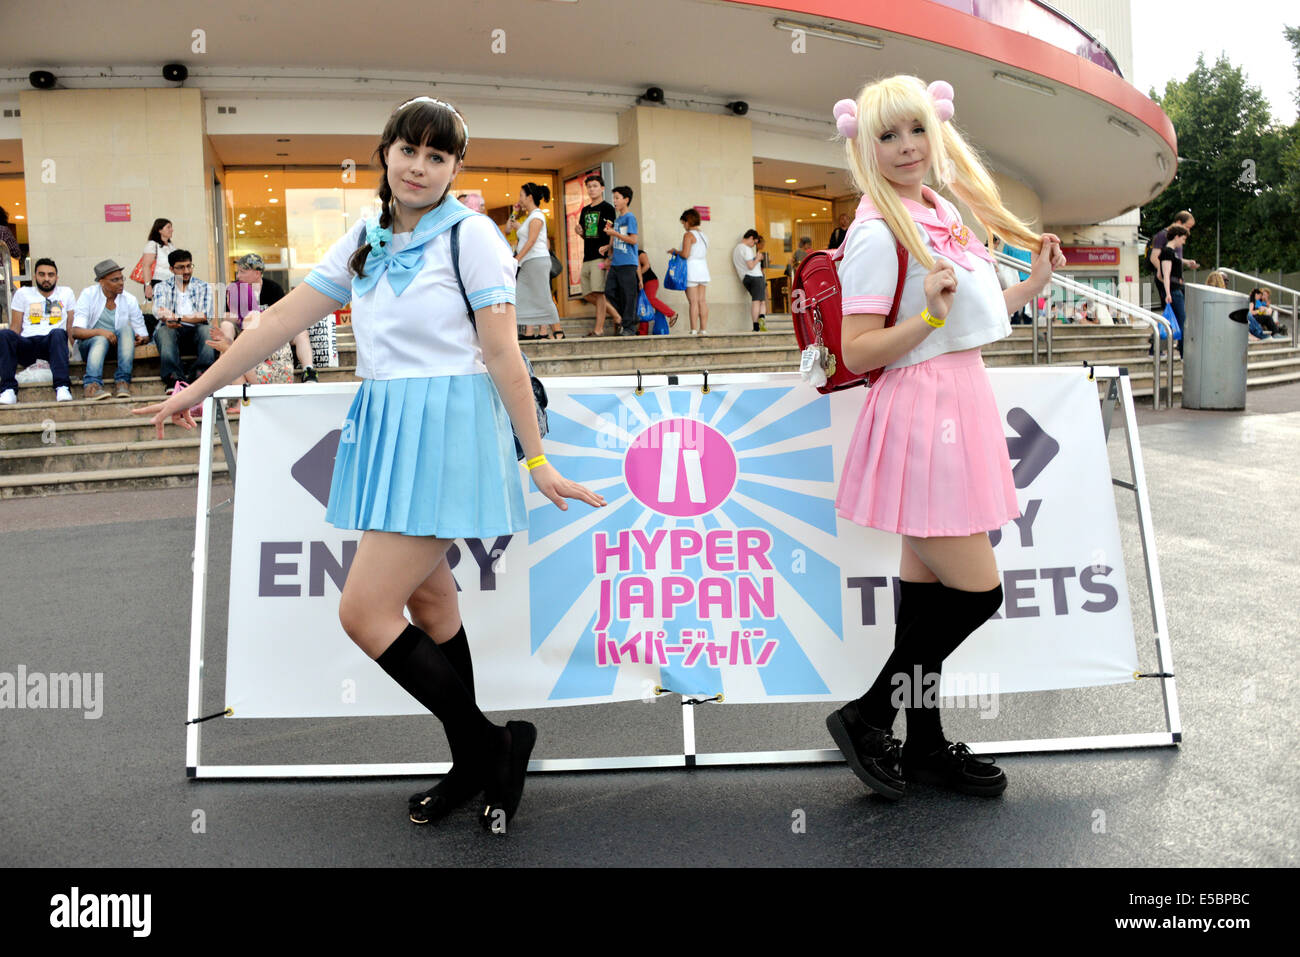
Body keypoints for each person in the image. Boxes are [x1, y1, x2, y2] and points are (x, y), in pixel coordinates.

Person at [137, 96, 605, 833]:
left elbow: (504, 355)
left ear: (455, 167)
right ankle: (474, 758)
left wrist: (537, 457)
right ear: (385, 150)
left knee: (362, 609)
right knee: (431, 605)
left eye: (438, 156)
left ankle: (494, 745)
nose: (420, 167)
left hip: (449, 433)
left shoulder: (473, 236)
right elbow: (284, 319)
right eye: (409, 151)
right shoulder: (364, 236)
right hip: (389, 427)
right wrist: (196, 389)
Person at [828, 75, 1065, 800]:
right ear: (866, 146)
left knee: (926, 599)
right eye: (888, 136)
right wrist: (926, 320)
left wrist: (1035, 283)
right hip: (923, 417)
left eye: (916, 131)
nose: (905, 148)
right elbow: (859, 349)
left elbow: (971, 320)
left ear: (938, 131)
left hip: (956, 401)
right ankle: (869, 715)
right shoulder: (877, 229)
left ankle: (923, 743)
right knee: (978, 593)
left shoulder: (938, 211)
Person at [223, 252, 317, 381]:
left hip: (272, 332)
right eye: (238, 272)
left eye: (242, 272)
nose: (238, 275)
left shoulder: (273, 288)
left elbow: (284, 315)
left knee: (301, 332)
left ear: (256, 273)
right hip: (245, 332)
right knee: (225, 326)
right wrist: (243, 316)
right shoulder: (235, 288)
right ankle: (224, 365)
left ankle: (308, 371)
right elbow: (226, 315)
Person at [1, 258, 77, 404]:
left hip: (52, 345)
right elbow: (15, 327)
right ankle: (8, 390)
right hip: (27, 344)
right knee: (5, 334)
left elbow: (70, 327)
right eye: (42, 274)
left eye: (50, 275)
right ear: (35, 276)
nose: (46, 279)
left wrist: (77, 352)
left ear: (57, 277)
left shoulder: (66, 293)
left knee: (58, 332)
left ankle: (62, 386)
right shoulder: (23, 293)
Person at [72, 259, 148, 399]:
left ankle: (122, 381)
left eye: (121, 278)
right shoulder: (88, 295)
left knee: (127, 330)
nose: (121, 283)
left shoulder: (129, 299)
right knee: (100, 339)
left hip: (116, 348)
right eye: (115, 280)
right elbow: (76, 332)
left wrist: (139, 340)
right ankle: (92, 385)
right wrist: (101, 332)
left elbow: (143, 333)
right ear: (101, 282)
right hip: (90, 348)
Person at [151, 249, 216, 393]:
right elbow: (161, 311)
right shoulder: (162, 287)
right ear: (171, 269)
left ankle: (201, 374)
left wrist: (176, 317)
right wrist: (170, 318)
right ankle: (174, 379)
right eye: (181, 267)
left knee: (207, 330)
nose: (186, 271)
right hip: (172, 328)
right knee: (164, 331)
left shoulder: (203, 286)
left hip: (197, 329)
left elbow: (204, 315)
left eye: (189, 266)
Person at [506, 183, 560, 340]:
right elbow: (513, 231)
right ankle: (528, 332)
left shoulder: (537, 216)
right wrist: (515, 215)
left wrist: (517, 258)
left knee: (542, 296)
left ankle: (558, 331)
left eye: (521, 196)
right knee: (522, 296)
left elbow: (531, 241)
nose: (519, 199)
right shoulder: (531, 217)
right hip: (529, 262)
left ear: (530, 197)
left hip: (536, 261)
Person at [575, 175, 618, 337]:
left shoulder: (607, 208)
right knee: (587, 293)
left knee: (599, 293)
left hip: (600, 256)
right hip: (587, 255)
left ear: (602, 188)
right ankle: (615, 314)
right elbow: (586, 235)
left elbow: (611, 232)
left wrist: (609, 253)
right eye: (589, 186)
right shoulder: (585, 210)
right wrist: (580, 233)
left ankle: (598, 329)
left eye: (594, 186)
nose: (591, 189)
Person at [601, 185, 640, 337]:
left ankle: (630, 326)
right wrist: (607, 247)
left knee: (629, 295)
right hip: (616, 262)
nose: (615, 201)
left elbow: (633, 239)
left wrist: (615, 233)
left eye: (617, 198)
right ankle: (630, 317)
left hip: (628, 263)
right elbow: (615, 240)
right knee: (609, 291)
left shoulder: (630, 218)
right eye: (614, 198)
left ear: (626, 200)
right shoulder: (617, 220)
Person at [668, 208, 710, 335]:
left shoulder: (688, 235)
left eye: (683, 223)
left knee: (693, 301)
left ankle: (693, 329)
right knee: (702, 301)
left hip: (691, 269)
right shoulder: (704, 235)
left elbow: (685, 254)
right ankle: (703, 329)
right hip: (703, 268)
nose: (684, 226)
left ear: (688, 221)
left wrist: (675, 251)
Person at [1148, 211, 1198, 304]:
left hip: (1176, 280)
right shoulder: (1163, 235)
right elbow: (1154, 257)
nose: (1188, 231)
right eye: (1187, 227)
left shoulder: (1178, 237)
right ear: (1179, 223)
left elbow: (1172, 259)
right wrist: (1163, 273)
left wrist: (1186, 262)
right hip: (1169, 281)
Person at [1158, 225, 1189, 358]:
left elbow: (1161, 275)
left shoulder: (1172, 252)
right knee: (1181, 321)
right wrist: (1168, 293)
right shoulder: (1168, 252)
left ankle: (1180, 350)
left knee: (1176, 321)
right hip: (1174, 290)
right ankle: (1183, 352)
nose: (1183, 242)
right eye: (1182, 239)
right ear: (1176, 237)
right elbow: (1165, 274)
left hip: (1176, 289)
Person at [138, 219, 175, 323]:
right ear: (159, 230)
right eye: (168, 227)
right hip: (157, 283)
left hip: (171, 284)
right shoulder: (152, 245)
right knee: (160, 313)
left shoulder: (171, 246)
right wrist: (148, 285)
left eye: (171, 227)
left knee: (171, 312)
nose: (172, 230)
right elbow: (146, 266)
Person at [732, 229, 767, 331]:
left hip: (745, 278)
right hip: (755, 276)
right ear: (751, 238)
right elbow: (751, 265)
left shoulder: (736, 249)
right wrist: (758, 258)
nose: (753, 245)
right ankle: (758, 323)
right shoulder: (746, 249)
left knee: (760, 300)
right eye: (754, 242)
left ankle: (760, 319)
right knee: (758, 301)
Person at [636, 250, 676, 333]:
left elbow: (647, 266)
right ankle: (642, 332)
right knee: (643, 305)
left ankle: (671, 313)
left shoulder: (639, 253)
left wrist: (636, 276)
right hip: (641, 283)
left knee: (650, 299)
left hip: (650, 281)